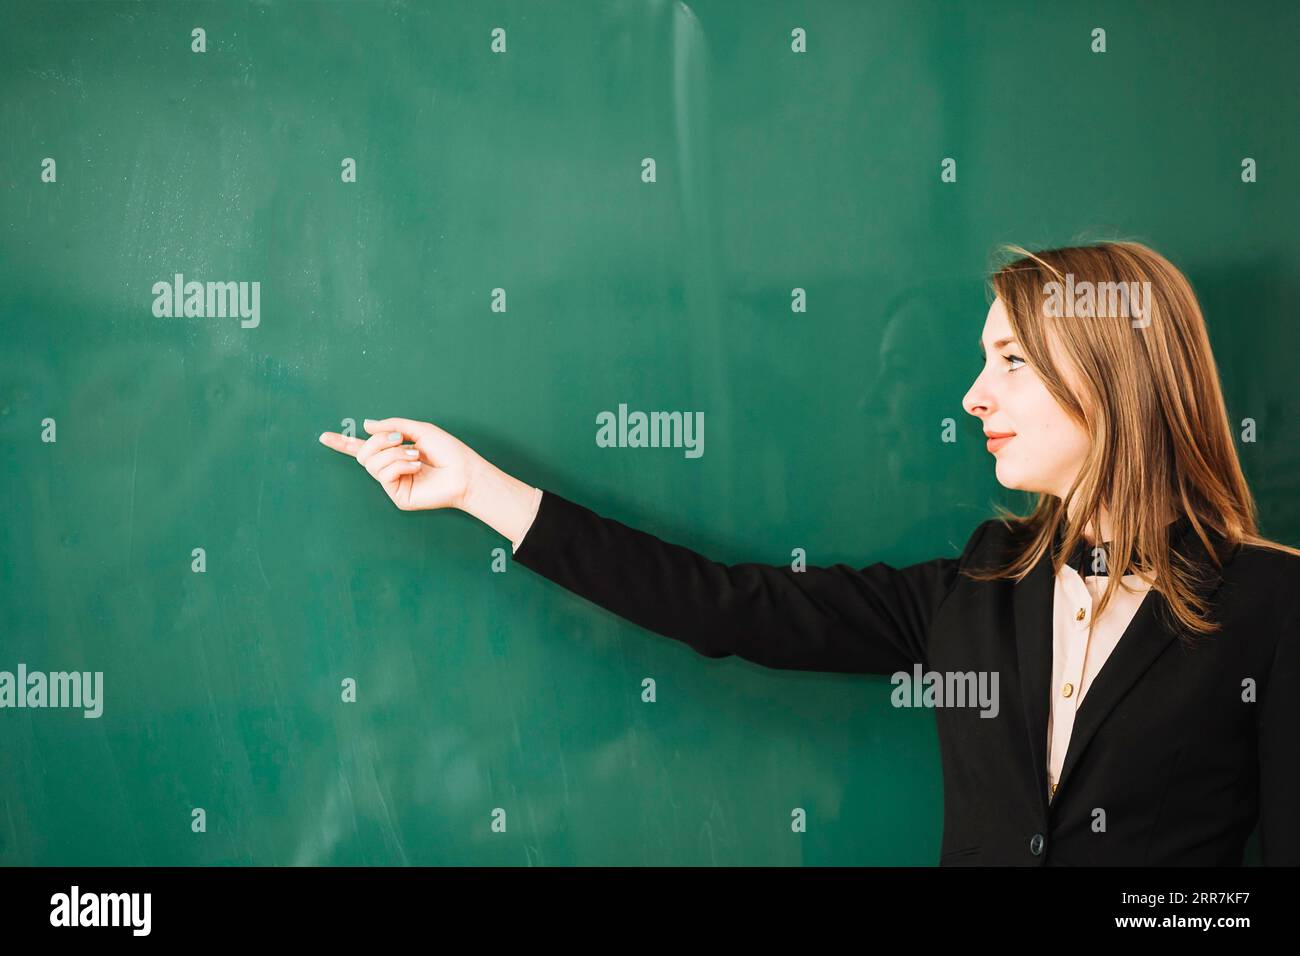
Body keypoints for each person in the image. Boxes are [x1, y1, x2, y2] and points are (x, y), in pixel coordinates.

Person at [318, 240, 1299, 866]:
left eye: (1009, 359)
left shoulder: (1271, 602)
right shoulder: (975, 585)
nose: (972, 396)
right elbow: (724, 605)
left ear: (1110, 374)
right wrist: (481, 489)